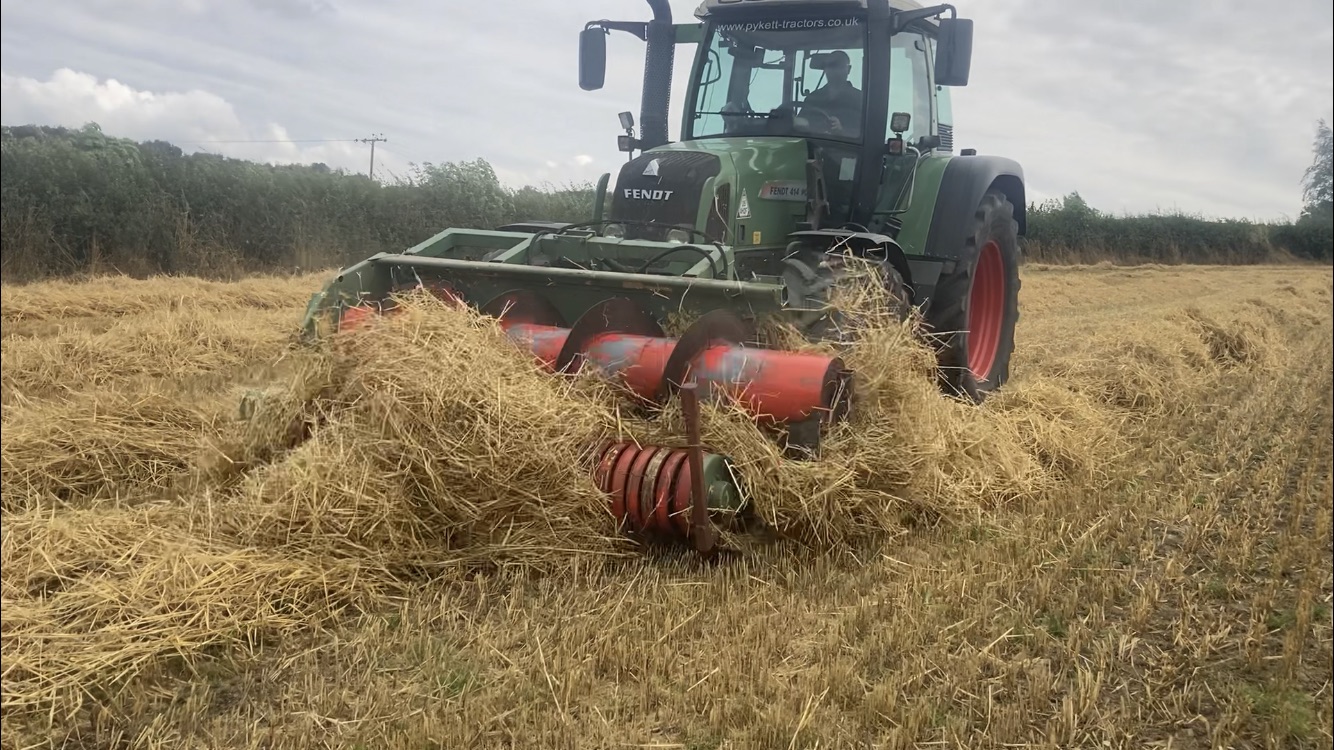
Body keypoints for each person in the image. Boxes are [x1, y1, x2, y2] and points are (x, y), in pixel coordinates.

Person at [799, 50, 862, 137]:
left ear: (849, 69)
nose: (834, 71)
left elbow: (868, 133)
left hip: (847, 149)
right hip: (812, 147)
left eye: (839, 66)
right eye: (831, 66)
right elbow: (801, 124)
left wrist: (842, 130)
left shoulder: (861, 99)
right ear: (825, 69)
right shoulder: (813, 98)